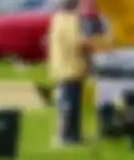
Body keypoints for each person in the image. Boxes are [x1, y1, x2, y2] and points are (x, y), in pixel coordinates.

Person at [47, 0, 90, 147]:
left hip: (62, 67)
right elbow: (77, 42)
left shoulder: (57, 18)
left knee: (69, 104)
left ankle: (73, 135)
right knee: (69, 105)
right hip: (70, 68)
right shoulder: (72, 20)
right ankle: (65, 136)